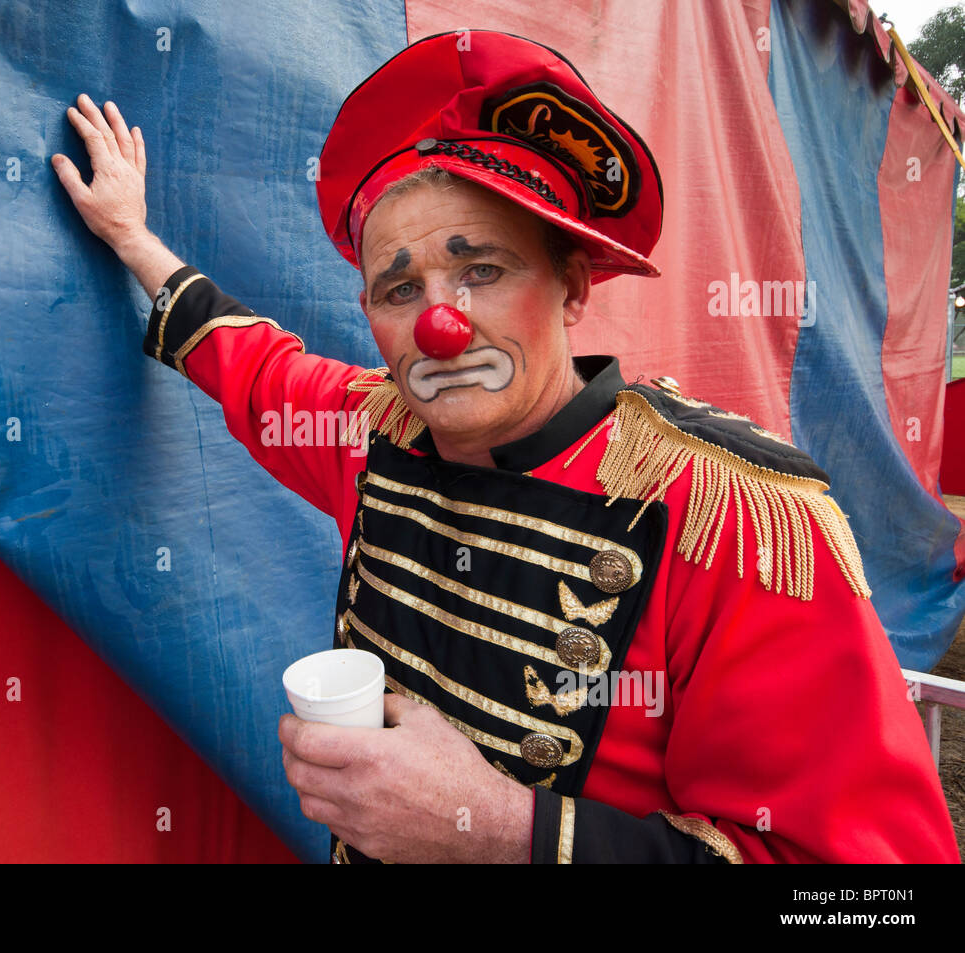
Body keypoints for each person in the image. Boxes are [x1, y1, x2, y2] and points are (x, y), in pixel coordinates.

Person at [51, 30, 960, 864]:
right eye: (399, 289)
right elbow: (249, 359)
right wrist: (132, 235)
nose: (442, 324)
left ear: (571, 287)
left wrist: (505, 828)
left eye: (481, 269)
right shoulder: (369, 434)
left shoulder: (734, 520)